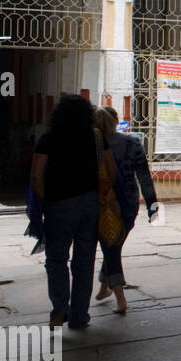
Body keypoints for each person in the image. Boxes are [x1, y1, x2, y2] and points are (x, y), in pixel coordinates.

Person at [31, 94, 116, 329]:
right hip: (90, 204)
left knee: (57, 258)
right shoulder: (96, 138)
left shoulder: (49, 139)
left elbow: (36, 175)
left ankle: (59, 310)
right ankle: (79, 316)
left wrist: (45, 200)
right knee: (84, 260)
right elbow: (112, 170)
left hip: (58, 205)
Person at [93, 106, 159, 313]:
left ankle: (120, 298)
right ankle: (105, 286)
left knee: (111, 249)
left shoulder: (93, 145)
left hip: (104, 203)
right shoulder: (133, 143)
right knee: (113, 245)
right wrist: (152, 205)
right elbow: (144, 176)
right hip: (129, 204)